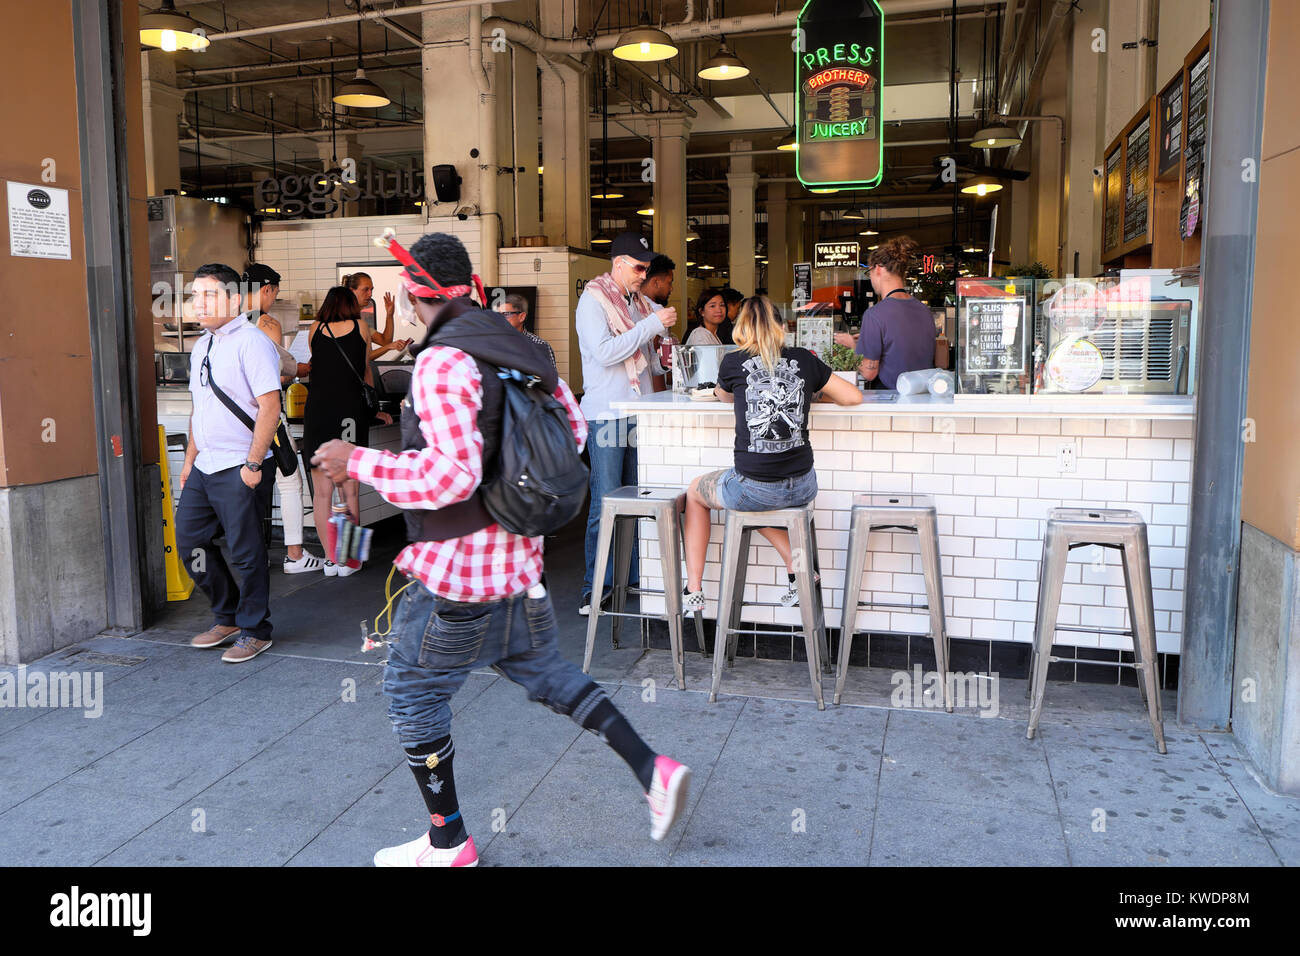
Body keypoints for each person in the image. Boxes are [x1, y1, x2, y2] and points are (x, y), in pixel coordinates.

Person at [311, 231, 692, 867]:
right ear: (471, 286)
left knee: (411, 693)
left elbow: (449, 478)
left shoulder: (440, 363)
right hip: (518, 562)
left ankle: (449, 841)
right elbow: (570, 430)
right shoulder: (523, 346)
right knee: (548, 675)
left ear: (412, 296)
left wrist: (361, 461)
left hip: (456, 572)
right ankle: (653, 769)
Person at [683, 295, 863, 610]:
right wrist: (813, 392)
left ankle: (694, 589)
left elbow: (725, 396)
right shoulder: (804, 359)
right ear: (781, 326)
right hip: (804, 485)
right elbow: (852, 397)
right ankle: (798, 566)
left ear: (741, 328)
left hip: (755, 488)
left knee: (698, 493)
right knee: (754, 499)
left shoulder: (733, 361)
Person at [175, 263, 283, 663]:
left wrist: (253, 464)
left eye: (208, 295)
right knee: (191, 541)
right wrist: (189, 460)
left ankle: (256, 629)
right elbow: (198, 409)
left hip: (241, 464)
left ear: (235, 300)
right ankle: (228, 615)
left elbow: (270, 407)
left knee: (246, 550)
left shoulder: (252, 342)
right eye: (194, 296)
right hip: (205, 467)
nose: (198, 304)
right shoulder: (202, 345)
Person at [574, 233, 676, 616]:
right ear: (618, 263)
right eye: (638, 267)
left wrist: (663, 357)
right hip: (606, 414)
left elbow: (643, 358)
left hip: (638, 410)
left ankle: (633, 579)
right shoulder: (594, 301)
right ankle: (594, 588)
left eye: (647, 268)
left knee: (637, 501)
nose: (643, 274)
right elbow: (604, 353)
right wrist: (650, 326)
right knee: (606, 501)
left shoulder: (637, 302)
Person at [301, 286, 392, 577]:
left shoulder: (316, 327)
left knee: (321, 494)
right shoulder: (361, 327)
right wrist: (374, 408)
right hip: (349, 415)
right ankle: (349, 560)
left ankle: (329, 559)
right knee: (349, 490)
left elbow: (319, 367)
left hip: (317, 414)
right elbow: (365, 371)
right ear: (351, 305)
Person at [242, 264, 324, 575]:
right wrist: (300, 369)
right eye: (274, 294)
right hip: (266, 416)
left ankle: (253, 556)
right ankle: (294, 555)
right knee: (290, 482)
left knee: (246, 486)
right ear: (266, 289)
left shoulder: (227, 323)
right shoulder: (267, 324)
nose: (274, 300)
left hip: (236, 418)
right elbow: (274, 375)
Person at [832, 236, 936, 389]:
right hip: (923, 399)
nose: (871, 279)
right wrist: (865, 343)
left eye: (869, 273)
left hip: (890, 401)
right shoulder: (924, 310)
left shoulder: (875, 314)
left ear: (878, 269)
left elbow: (869, 372)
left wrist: (853, 346)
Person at [344, 272, 413, 361]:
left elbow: (385, 341)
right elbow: (362, 357)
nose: (370, 294)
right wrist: (389, 347)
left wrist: (389, 315)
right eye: (365, 289)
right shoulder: (345, 320)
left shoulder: (360, 322)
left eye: (371, 289)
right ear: (351, 291)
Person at [496, 292, 555, 369]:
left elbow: (551, 379)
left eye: (506, 314)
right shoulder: (494, 344)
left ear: (522, 317)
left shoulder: (539, 345)